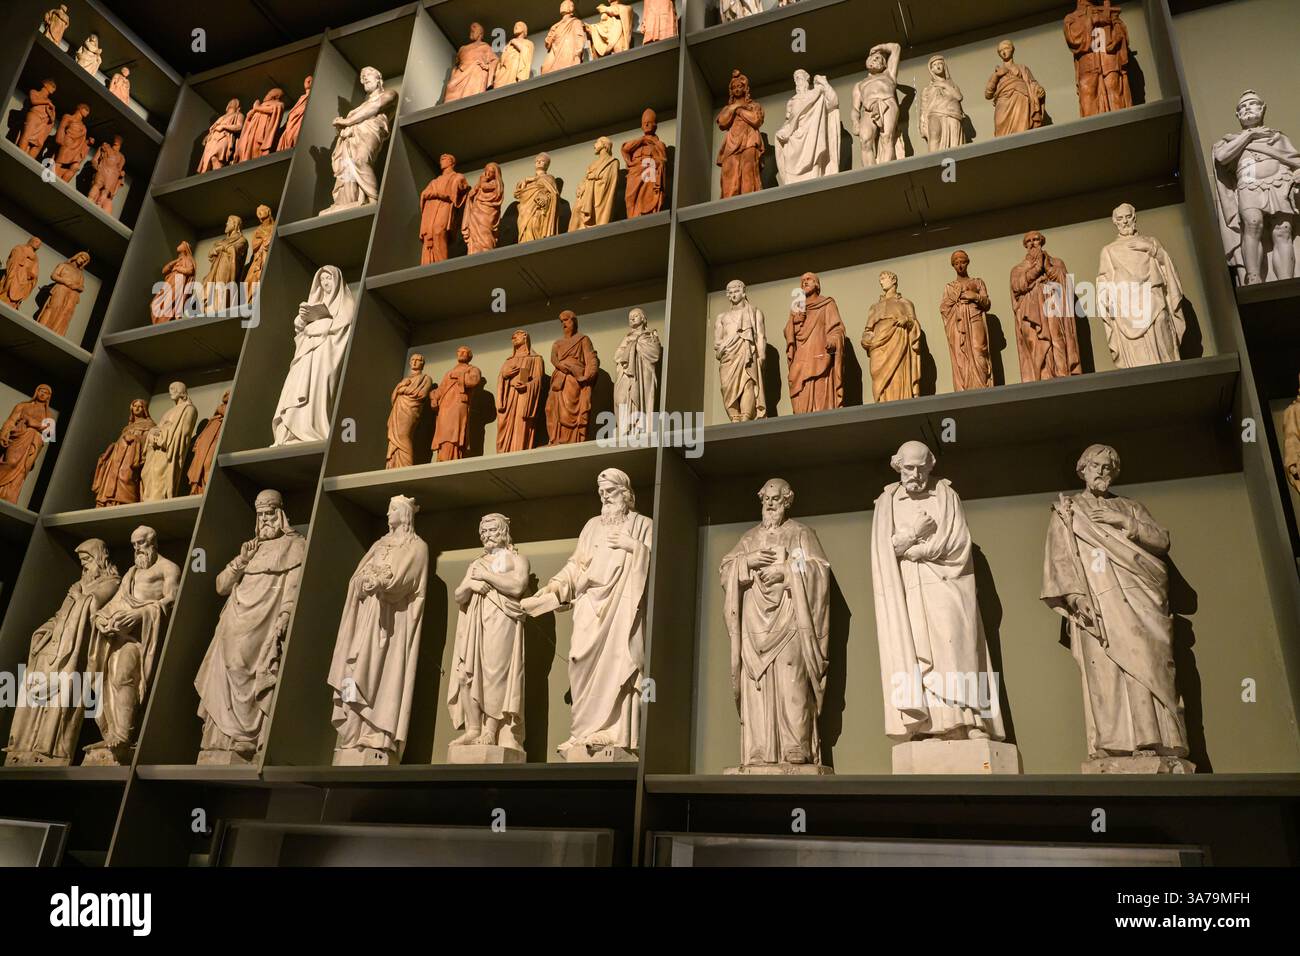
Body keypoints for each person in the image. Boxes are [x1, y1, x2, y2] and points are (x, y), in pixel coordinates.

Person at [1042, 444, 1191, 768]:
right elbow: (1061, 559)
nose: (1103, 472)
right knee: (1106, 672)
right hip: (1097, 601)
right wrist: (1075, 597)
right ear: (1082, 469)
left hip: (1140, 599)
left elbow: (1161, 540)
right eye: (1097, 466)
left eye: (1109, 468)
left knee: (1144, 664)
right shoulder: (1068, 511)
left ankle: (1155, 740)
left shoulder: (1129, 506)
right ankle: (1114, 747)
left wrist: (1123, 521)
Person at [871, 442, 1004, 742]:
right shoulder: (888, 501)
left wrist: (920, 551)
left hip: (949, 584)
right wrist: (914, 534)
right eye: (908, 468)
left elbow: (958, 542)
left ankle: (971, 720)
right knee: (917, 654)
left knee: (959, 647)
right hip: (910, 590)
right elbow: (884, 550)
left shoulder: (946, 495)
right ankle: (930, 725)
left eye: (921, 468)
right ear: (898, 466)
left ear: (930, 466)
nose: (915, 474)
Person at [522, 469, 652, 760]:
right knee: (579, 662)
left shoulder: (643, 525)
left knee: (619, 663)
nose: (605, 496)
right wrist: (553, 588)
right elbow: (576, 566)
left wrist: (635, 547)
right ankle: (581, 732)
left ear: (626, 494)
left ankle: (614, 731)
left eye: (610, 491)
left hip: (621, 609)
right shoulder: (592, 526)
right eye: (601, 491)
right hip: (588, 606)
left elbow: (659, 566)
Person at [719, 478, 831, 770]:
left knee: (792, 679)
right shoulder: (749, 538)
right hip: (754, 624)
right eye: (766, 499)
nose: (770, 504)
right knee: (757, 683)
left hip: (790, 621)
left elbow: (820, 571)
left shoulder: (801, 534)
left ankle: (797, 746)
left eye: (776, 499)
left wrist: (787, 571)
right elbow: (726, 570)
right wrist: (748, 561)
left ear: (787, 501)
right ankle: (758, 749)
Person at [194, 490, 306, 764]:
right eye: (261, 515)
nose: (265, 519)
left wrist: (285, 615)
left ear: (280, 515)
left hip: (263, 624)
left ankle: (247, 736)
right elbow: (221, 586)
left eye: (270, 514)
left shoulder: (296, 546)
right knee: (226, 670)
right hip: (233, 621)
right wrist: (241, 561)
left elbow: (292, 588)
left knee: (246, 668)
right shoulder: (250, 548)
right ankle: (221, 739)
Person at [328, 495, 428, 765]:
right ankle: (352, 731)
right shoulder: (379, 544)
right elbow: (356, 578)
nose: (387, 514)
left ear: (405, 513)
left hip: (390, 626)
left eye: (392, 509)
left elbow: (407, 581)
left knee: (382, 676)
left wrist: (383, 583)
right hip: (364, 621)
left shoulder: (417, 547)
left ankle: (376, 734)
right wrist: (364, 582)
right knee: (353, 669)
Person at [4, 539, 119, 766]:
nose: (84, 566)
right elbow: (60, 615)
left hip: (77, 650)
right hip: (54, 646)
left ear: (99, 558)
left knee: (64, 698)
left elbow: (94, 607)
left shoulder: (113, 582)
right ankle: (23, 746)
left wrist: (79, 597)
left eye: (87, 560)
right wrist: (43, 632)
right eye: (82, 562)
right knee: (32, 689)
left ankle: (51, 751)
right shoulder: (79, 584)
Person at [85, 526, 180, 764]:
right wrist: (102, 618)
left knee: (123, 674)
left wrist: (141, 614)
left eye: (141, 544)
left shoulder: (169, 568)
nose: (137, 549)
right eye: (134, 545)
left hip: (142, 638)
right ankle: (111, 734)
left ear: (153, 543)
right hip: (119, 635)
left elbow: (172, 600)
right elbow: (118, 601)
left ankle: (123, 736)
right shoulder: (131, 573)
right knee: (105, 677)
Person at [448, 513, 530, 756]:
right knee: (465, 674)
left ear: (503, 531)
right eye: (483, 532)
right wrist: (470, 585)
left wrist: (487, 577)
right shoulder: (476, 563)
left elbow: (517, 586)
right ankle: (474, 727)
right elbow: (458, 595)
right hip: (474, 621)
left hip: (501, 619)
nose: (487, 535)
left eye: (492, 530)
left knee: (495, 674)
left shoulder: (518, 559)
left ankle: (491, 729)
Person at [271, 266, 357, 444]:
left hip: (325, 355)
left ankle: (313, 428)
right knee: (295, 387)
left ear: (337, 281)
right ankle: (289, 432)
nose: (325, 283)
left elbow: (343, 326)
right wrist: (302, 319)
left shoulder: (346, 303)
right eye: (322, 280)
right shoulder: (315, 301)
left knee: (318, 389)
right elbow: (300, 329)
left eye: (329, 279)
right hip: (306, 354)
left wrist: (321, 323)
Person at [785, 271, 844, 414]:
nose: (804, 282)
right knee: (796, 381)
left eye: (808, 279)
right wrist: (794, 322)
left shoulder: (827, 304)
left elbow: (837, 328)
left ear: (816, 284)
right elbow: (789, 333)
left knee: (819, 385)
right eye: (802, 280)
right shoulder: (796, 308)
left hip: (820, 355)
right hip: (801, 356)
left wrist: (832, 340)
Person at [714, 279, 767, 422]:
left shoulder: (755, 312)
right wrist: (723, 347)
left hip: (747, 351)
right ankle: (734, 416)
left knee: (748, 381)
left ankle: (746, 415)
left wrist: (761, 355)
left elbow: (761, 336)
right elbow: (717, 341)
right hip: (728, 356)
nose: (733, 295)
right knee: (726, 387)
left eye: (736, 291)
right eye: (730, 292)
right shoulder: (721, 317)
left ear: (743, 292)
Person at [775, 70, 840, 184]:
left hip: (813, 135)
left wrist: (824, 83)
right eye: (796, 79)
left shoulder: (817, 94)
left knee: (814, 158)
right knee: (789, 156)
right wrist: (782, 131)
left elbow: (834, 102)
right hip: (796, 138)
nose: (798, 82)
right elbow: (789, 122)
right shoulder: (792, 101)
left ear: (806, 80)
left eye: (800, 78)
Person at [92, 399, 155, 507]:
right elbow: (119, 442)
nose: (137, 408)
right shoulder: (127, 427)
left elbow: (148, 441)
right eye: (135, 406)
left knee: (126, 477)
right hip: (118, 456)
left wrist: (135, 439)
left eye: (140, 406)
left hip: (131, 456)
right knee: (113, 477)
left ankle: (124, 501)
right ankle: (110, 502)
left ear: (144, 409)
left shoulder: (149, 425)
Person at [852, 42, 904, 166]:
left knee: (887, 137)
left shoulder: (889, 74)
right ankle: (870, 172)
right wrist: (855, 121)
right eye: (872, 57)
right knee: (864, 141)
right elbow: (855, 108)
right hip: (868, 110)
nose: (874, 59)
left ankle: (885, 169)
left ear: (884, 64)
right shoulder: (860, 84)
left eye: (878, 59)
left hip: (887, 103)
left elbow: (896, 47)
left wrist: (878, 48)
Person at [0, 385, 52, 504]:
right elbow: (11, 421)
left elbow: (49, 434)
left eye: (46, 393)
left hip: (35, 443)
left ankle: (11, 498)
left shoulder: (48, 415)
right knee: (11, 462)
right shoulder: (23, 406)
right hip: (18, 438)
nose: (43, 394)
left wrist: (32, 423)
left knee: (23, 471)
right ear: (36, 392)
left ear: (49, 396)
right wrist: (3, 433)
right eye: (41, 391)